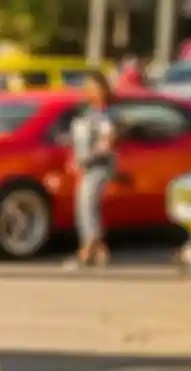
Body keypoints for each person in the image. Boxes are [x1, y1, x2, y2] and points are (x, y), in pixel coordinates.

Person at [65, 70, 118, 269]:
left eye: (94, 88)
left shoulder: (106, 113)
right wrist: (74, 158)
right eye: (88, 87)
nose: (90, 91)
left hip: (98, 166)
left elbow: (108, 140)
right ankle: (101, 251)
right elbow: (77, 139)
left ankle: (87, 250)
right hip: (85, 166)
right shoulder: (86, 112)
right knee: (85, 207)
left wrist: (88, 158)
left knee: (87, 207)